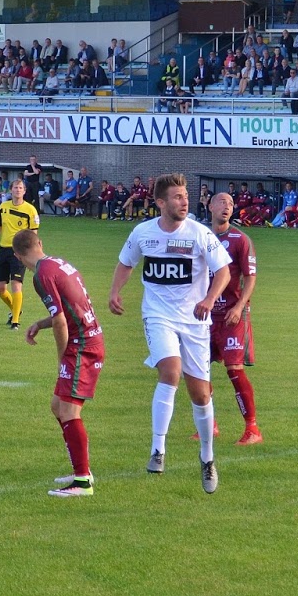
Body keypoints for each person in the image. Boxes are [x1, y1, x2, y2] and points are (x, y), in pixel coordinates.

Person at [109, 173, 232, 494]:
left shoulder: (200, 234)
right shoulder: (143, 232)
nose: (184, 201)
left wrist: (209, 299)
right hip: (158, 316)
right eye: (177, 197)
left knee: (200, 395)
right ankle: (157, 449)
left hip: (195, 322)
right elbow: (126, 263)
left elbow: (223, 271)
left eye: (186, 196)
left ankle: (207, 457)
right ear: (160, 202)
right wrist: (115, 292)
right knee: (170, 371)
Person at [10, 230, 106, 497]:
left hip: (83, 345)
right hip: (88, 338)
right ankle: (81, 469)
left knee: (68, 411)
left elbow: (61, 322)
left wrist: (63, 357)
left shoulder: (41, 275)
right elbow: (66, 310)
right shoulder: (57, 263)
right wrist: (40, 324)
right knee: (57, 406)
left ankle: (82, 481)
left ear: (17, 256)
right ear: (39, 243)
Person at [205, 192, 262, 445]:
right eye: (221, 202)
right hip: (205, 315)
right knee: (199, 371)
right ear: (210, 206)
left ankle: (252, 429)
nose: (226, 207)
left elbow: (250, 278)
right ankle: (209, 425)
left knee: (234, 370)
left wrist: (239, 307)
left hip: (231, 315)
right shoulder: (200, 236)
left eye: (230, 203)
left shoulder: (241, 239)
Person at [0, 178, 40, 330]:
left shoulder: (30, 210)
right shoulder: (4, 207)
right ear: (11, 190)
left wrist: (31, 253)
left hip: (19, 252)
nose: (17, 190)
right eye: (15, 188)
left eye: (20, 188)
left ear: (24, 191)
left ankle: (15, 321)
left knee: (16, 284)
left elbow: (33, 234)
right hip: (3, 250)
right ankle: (16, 309)